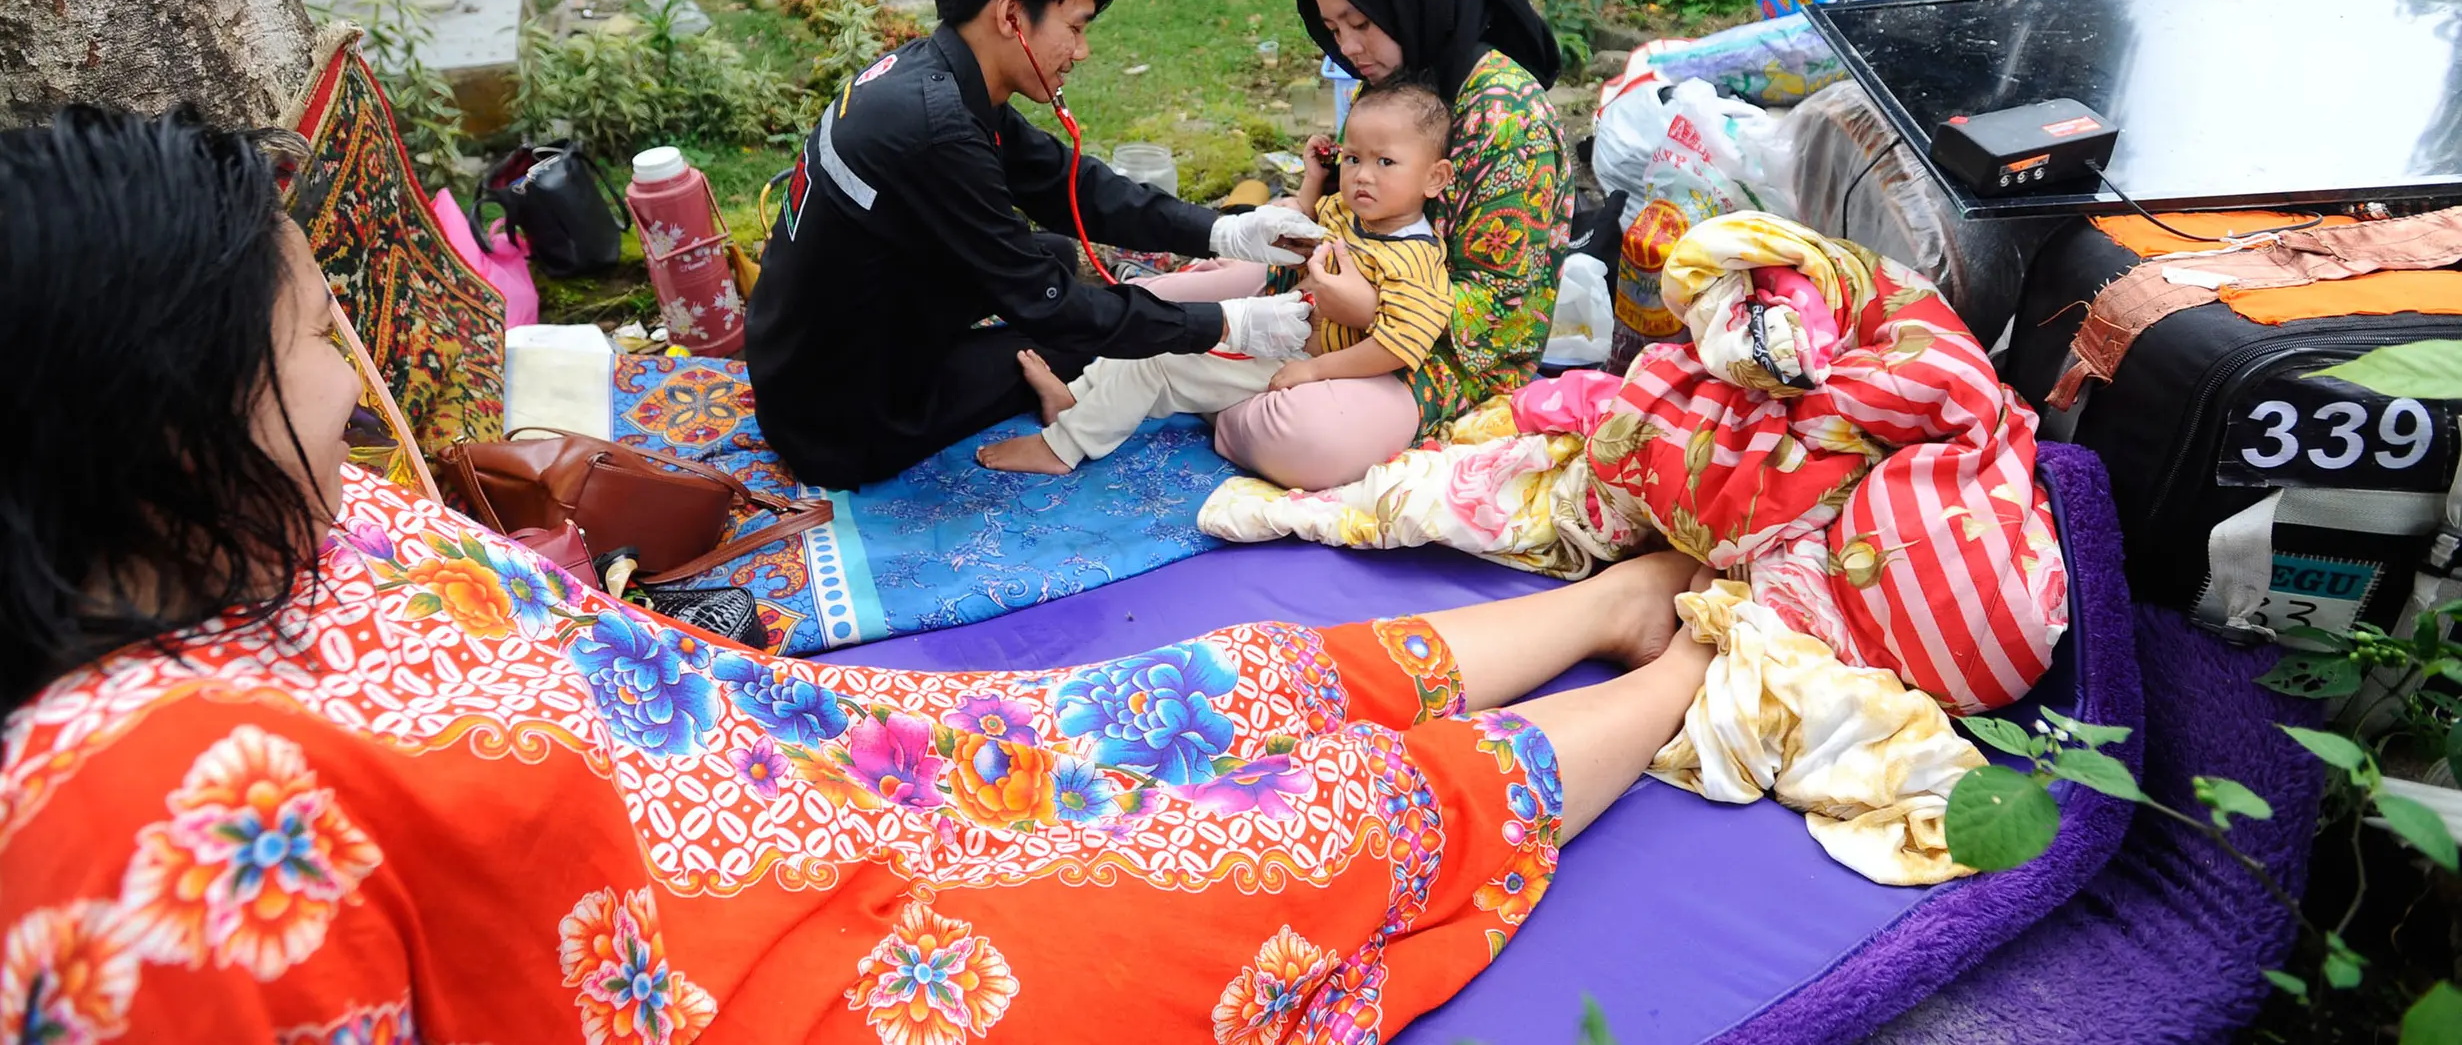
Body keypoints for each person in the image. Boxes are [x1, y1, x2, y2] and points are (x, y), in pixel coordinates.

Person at [0, 106, 1716, 1042]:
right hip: (791, 963)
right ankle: (1674, 677)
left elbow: (1087, 249)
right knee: (1279, 840)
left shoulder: (300, 526)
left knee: (1185, 695)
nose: (353, 383)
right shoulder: (135, 819)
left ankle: (1606, 608)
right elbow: (1069, 294)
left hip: (814, 776)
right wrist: (1230, 311)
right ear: (165, 424)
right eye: (312, 340)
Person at [745, 0, 1325, 490]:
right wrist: (1228, 325)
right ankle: (1025, 397)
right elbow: (1053, 308)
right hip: (835, 419)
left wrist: (1221, 230)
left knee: (1051, 253)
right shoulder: (937, 131)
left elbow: (1067, 183)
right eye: (1074, 27)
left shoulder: (932, 75)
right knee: (1069, 336)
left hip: (809, 348)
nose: (1081, 51)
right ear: (1011, 17)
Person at [1143, 0, 1574, 491]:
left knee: (1307, 439)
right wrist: (1313, 202)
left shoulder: (1505, 119)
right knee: (1147, 306)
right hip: (1325, 291)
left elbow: (1505, 313)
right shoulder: (1401, 80)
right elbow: (1357, 210)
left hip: (1429, 352)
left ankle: (1208, 385)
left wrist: (1367, 308)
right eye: (1333, 28)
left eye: (1361, 23)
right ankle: (1204, 373)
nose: (1347, 47)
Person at [979, 82, 1455, 475]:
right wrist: (1313, 182)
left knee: (1159, 358)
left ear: (1435, 178)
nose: (1362, 176)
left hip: (1311, 363)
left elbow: (1397, 346)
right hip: (1284, 336)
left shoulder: (1417, 262)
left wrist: (1313, 371)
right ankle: (1076, 399)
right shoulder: (1356, 214)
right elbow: (1311, 229)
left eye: (1384, 162)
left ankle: (1062, 447)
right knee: (1154, 331)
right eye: (1353, 159)